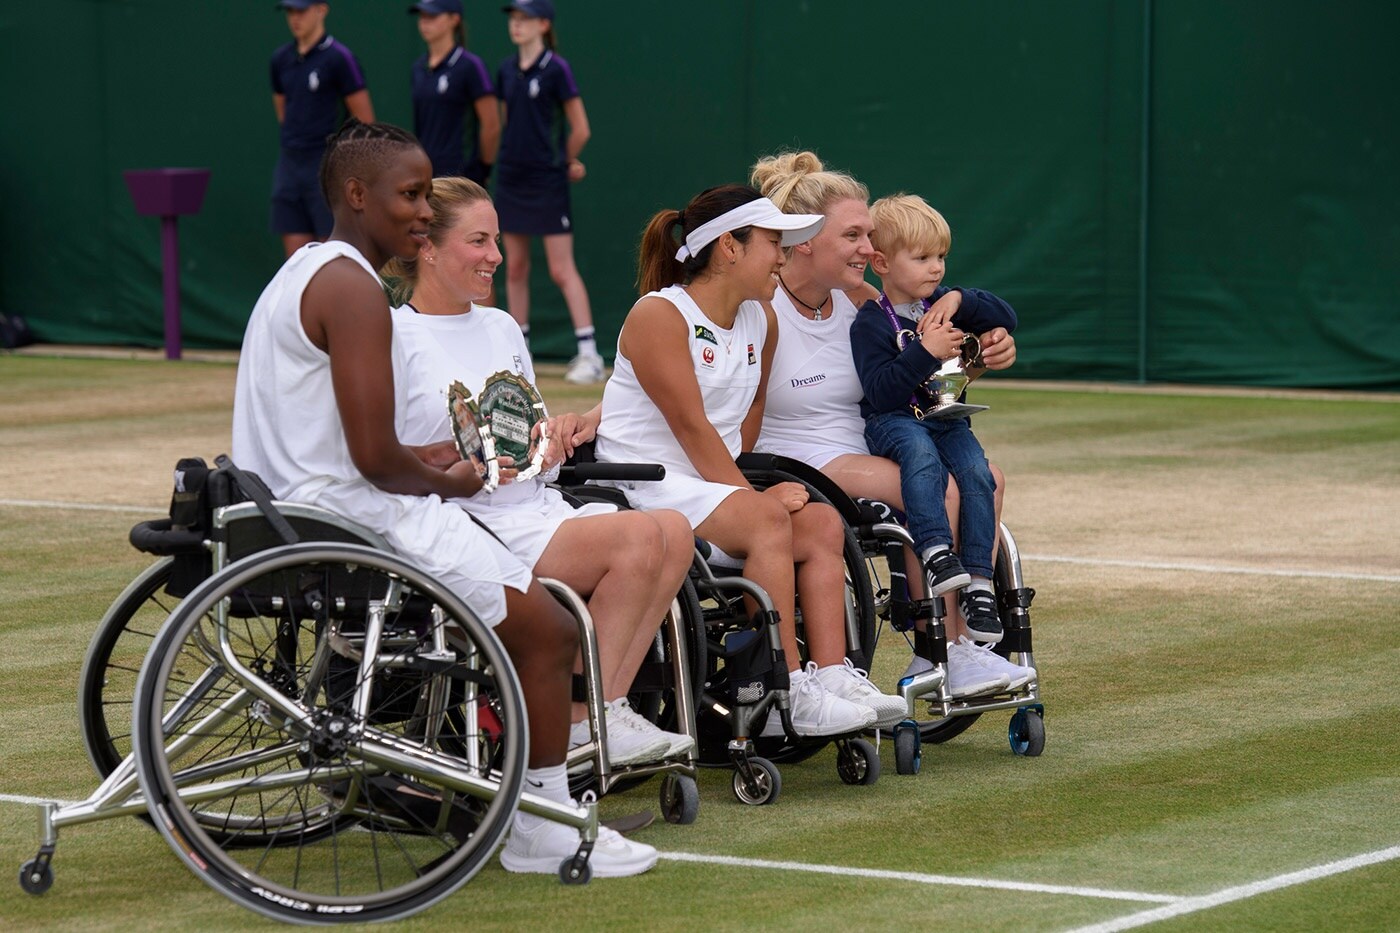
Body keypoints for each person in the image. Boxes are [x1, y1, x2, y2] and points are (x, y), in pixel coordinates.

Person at [230, 119, 656, 878]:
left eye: (428, 194)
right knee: (552, 632)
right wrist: (446, 476)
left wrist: (422, 458)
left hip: (300, 510)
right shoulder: (354, 288)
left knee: (544, 622)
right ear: (356, 195)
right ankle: (541, 823)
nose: (424, 211)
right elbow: (374, 459)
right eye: (410, 194)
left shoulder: (301, 272)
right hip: (356, 518)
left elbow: (356, 440)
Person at [383, 175, 695, 769]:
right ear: (426, 246)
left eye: (496, 240)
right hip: (463, 521)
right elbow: (387, 450)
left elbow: (528, 420)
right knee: (637, 538)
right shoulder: (394, 336)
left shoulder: (501, 325)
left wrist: (550, 439)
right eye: (479, 241)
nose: (495, 256)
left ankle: (608, 706)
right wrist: (461, 457)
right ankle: (580, 722)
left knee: (674, 531)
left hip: (535, 505)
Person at [588, 184, 907, 736]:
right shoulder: (659, 314)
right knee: (767, 520)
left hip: (708, 488)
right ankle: (782, 688)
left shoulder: (762, 317)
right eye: (773, 243)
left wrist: (747, 485)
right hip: (642, 489)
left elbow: (747, 412)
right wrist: (751, 497)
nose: (783, 257)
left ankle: (831, 676)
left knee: (823, 523)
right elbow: (691, 428)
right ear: (730, 247)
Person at [750, 152, 1033, 696]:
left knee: (989, 477)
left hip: (874, 444)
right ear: (804, 238)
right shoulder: (760, 306)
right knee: (941, 484)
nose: (868, 246)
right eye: (854, 235)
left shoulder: (865, 303)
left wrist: (981, 355)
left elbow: (914, 379)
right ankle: (943, 650)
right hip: (797, 460)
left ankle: (968, 636)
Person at [855, 192, 1018, 646]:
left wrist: (963, 298)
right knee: (921, 459)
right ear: (882, 263)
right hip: (895, 422)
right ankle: (935, 553)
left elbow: (1007, 316)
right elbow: (882, 391)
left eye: (941, 256)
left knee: (978, 475)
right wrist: (924, 352)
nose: (936, 268)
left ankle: (980, 586)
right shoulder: (870, 321)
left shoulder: (945, 300)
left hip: (946, 417)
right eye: (922, 257)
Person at [494, 0, 603, 384]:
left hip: (547, 182)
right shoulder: (506, 70)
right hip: (510, 178)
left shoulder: (557, 70)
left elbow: (581, 128)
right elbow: (507, 123)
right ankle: (518, 356)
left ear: (543, 24)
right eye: (513, 18)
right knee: (516, 266)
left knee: (560, 269)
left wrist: (563, 161)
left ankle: (589, 356)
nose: (516, 25)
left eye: (524, 19)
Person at [269, 0, 375, 258]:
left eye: (302, 10)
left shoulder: (340, 58)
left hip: (326, 167)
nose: (295, 18)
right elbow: (283, 111)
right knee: (296, 261)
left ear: (321, 9)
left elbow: (365, 122)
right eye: (290, 11)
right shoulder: (280, 60)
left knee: (332, 257)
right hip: (290, 166)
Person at [407, 0, 499, 187]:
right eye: (422, 16)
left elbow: (492, 125)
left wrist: (482, 169)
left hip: (460, 178)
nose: (425, 22)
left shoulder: (471, 67)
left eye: (432, 16)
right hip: (426, 175)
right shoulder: (418, 68)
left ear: (454, 19)